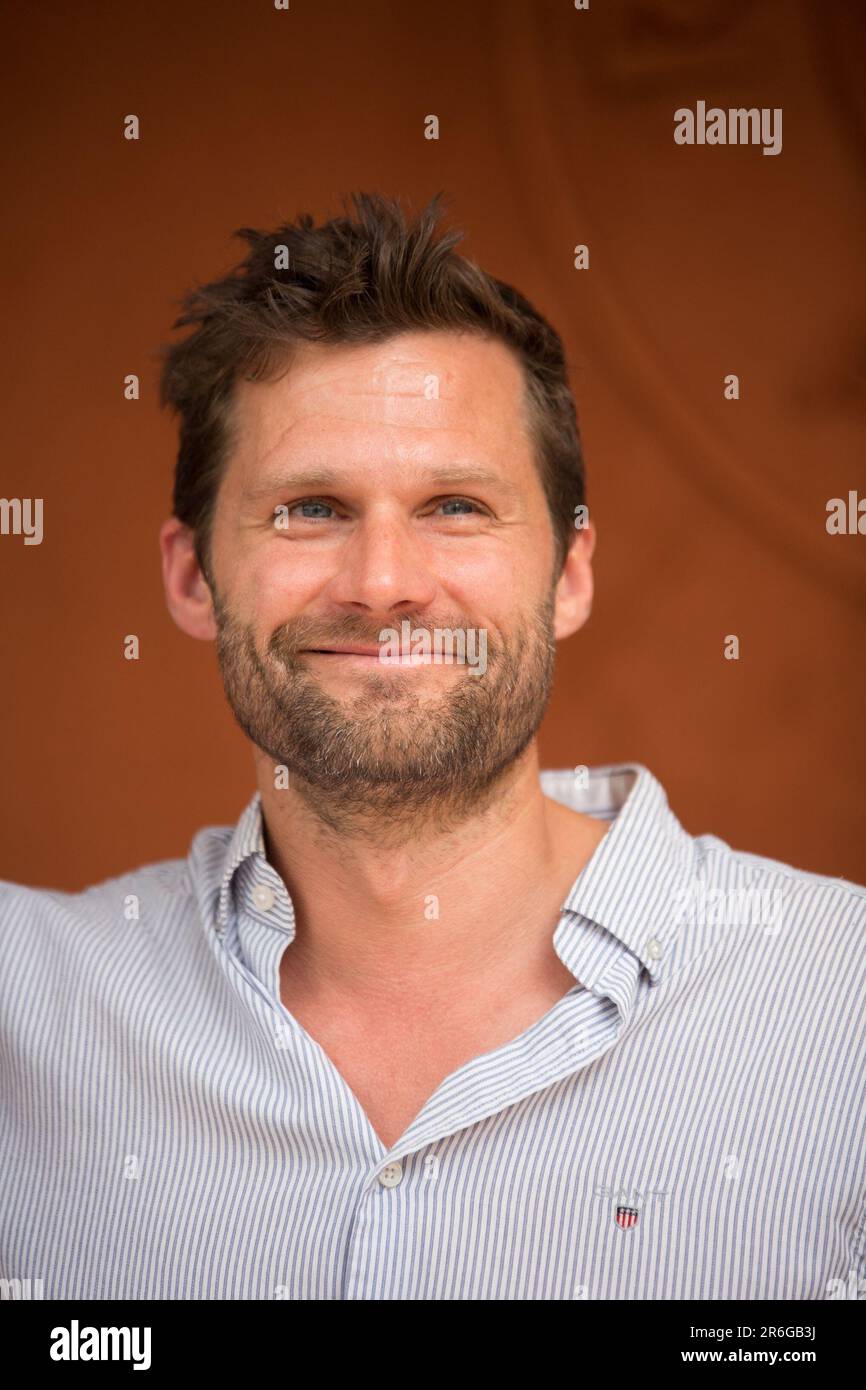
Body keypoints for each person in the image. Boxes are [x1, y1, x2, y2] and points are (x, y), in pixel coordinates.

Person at [1, 192, 863, 1301]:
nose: (382, 583)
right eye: (309, 508)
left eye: (455, 504)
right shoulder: (26, 1016)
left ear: (569, 572)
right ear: (188, 576)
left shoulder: (839, 1008)